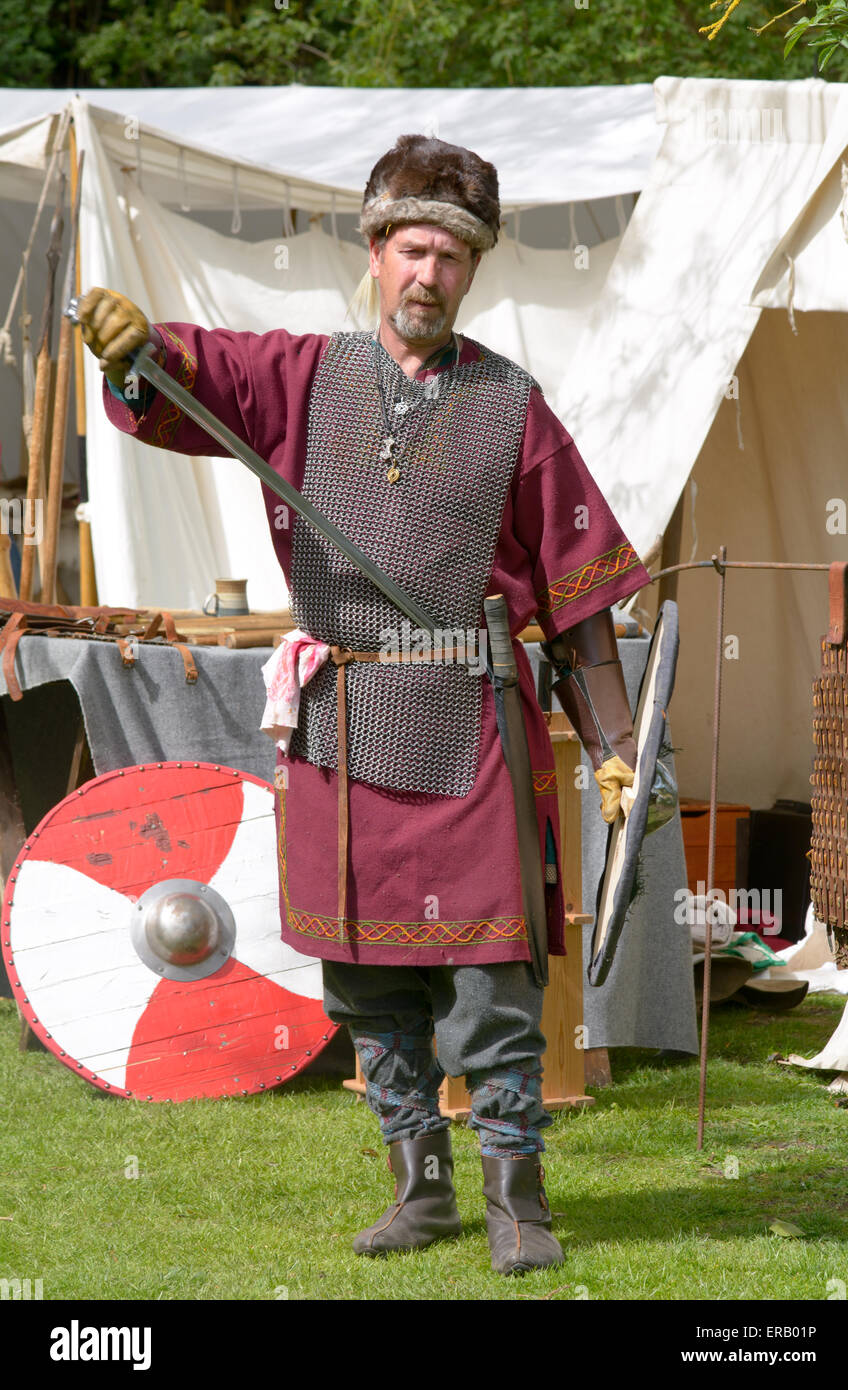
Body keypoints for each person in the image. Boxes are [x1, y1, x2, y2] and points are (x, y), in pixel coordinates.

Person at [77, 132, 651, 1276]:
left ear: (472, 272)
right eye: (412, 249)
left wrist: (614, 745)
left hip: (472, 725)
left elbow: (581, 590)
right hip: (343, 723)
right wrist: (136, 352)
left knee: (491, 982)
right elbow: (188, 381)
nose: (428, 274)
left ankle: (516, 1205)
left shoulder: (509, 407)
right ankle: (421, 1190)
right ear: (375, 251)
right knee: (366, 982)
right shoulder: (301, 379)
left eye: (451, 256)